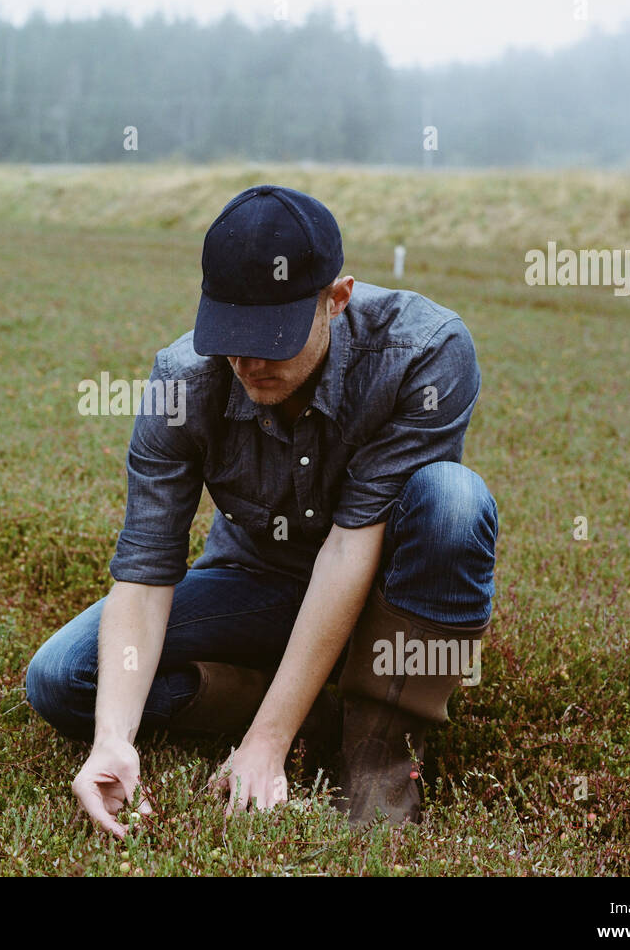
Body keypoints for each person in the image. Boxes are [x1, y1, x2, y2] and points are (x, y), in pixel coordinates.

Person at [26, 184, 499, 836]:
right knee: (61, 677)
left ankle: (379, 753)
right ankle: (323, 711)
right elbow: (145, 571)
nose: (246, 362)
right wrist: (113, 737)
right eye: (230, 336)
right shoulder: (182, 381)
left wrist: (266, 742)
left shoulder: (425, 350)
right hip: (262, 585)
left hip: (385, 599)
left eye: (270, 338)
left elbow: (349, 545)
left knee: (455, 499)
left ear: (337, 299)